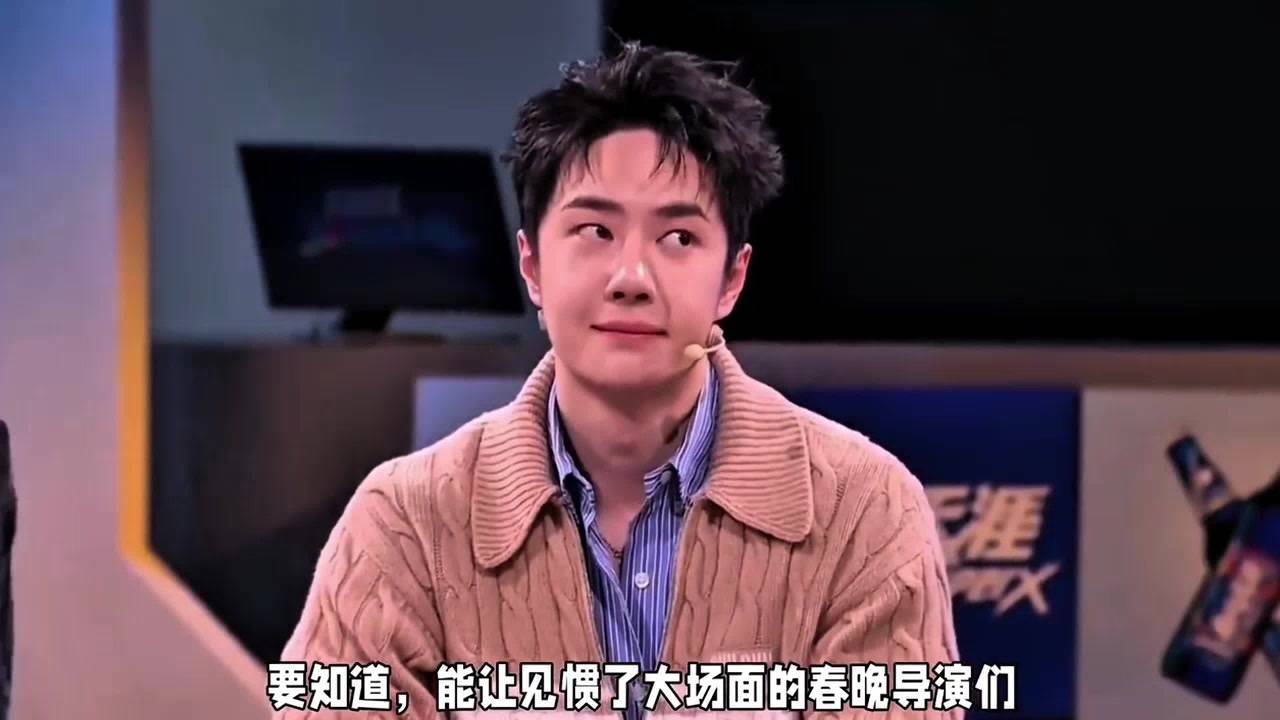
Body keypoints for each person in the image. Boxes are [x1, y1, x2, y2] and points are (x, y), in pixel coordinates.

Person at [278, 41, 960, 718]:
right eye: (595, 231)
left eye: (678, 238)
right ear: (532, 266)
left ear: (732, 279)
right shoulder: (404, 524)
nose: (631, 278)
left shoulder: (865, 512)